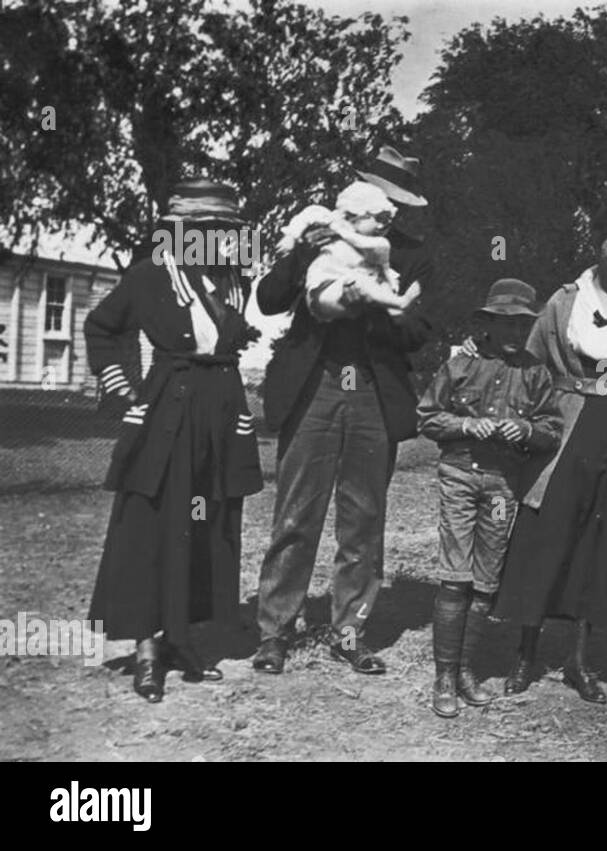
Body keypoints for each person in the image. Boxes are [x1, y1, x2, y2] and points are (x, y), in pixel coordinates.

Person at [252, 146, 435, 675]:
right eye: (377, 196)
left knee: (364, 518)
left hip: (372, 392)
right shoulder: (319, 233)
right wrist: (299, 257)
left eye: (392, 203)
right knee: (296, 512)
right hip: (315, 386)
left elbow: (420, 331)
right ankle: (275, 631)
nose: (384, 210)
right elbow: (267, 299)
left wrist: (380, 304)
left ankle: (350, 631)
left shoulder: (410, 255)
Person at [492, 202, 607, 704]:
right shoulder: (564, 300)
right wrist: (524, 425)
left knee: (601, 542)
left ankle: (578, 660)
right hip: (569, 425)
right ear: (597, 246)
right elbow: (532, 365)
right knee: (545, 534)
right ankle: (526, 653)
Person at [85, 179, 263, 702]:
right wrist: (122, 388)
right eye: (208, 230)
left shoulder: (235, 281)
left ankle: (182, 639)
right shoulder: (150, 276)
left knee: (204, 523)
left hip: (221, 415)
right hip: (168, 410)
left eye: (226, 230)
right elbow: (100, 326)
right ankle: (146, 649)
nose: (220, 239)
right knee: (153, 523)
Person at [416, 278, 563, 718]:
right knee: (455, 578)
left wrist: (528, 431)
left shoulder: (535, 373)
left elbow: (552, 429)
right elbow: (427, 417)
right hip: (460, 477)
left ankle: (466, 671)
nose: (516, 333)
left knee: (485, 582)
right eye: (506, 324)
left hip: (502, 487)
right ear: (487, 324)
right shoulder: (460, 364)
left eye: (522, 325)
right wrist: (465, 425)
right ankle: (444, 677)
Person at [280, 181, 421, 317]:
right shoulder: (333, 222)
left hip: (357, 287)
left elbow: (383, 266)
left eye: (388, 219)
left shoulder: (379, 243)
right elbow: (310, 213)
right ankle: (396, 304)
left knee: (367, 284)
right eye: (380, 218)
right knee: (351, 286)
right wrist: (291, 237)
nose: (382, 225)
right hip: (325, 282)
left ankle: (396, 306)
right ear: (355, 214)